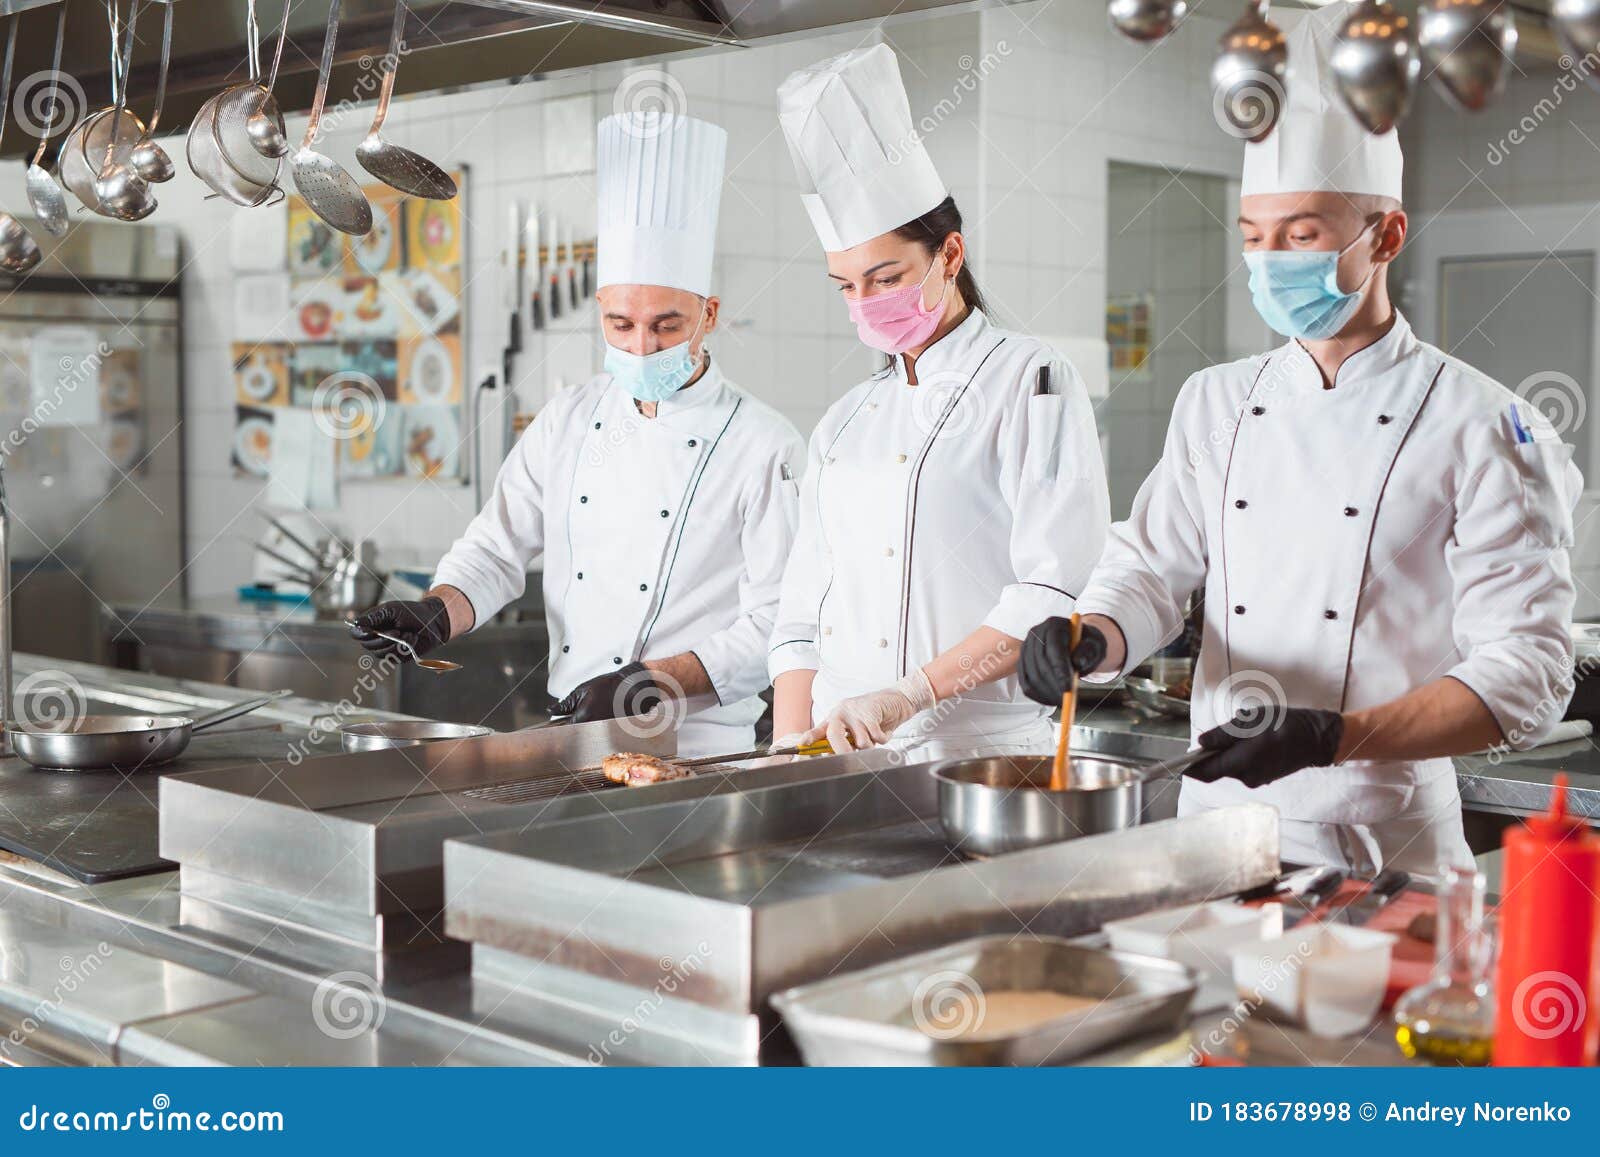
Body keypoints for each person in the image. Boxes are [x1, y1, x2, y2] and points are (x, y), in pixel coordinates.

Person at [1019, 5, 1581, 875]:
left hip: (1379, 844)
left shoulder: (1483, 424)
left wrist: (1337, 735)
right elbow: (1150, 571)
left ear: (1385, 235)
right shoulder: (1214, 401)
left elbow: (1532, 669)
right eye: (1254, 238)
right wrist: (1092, 633)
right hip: (1212, 827)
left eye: (1301, 236)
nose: (1271, 261)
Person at [354, 111, 804, 757]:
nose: (642, 345)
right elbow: (499, 546)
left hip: (701, 744)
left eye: (667, 325)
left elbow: (781, 622)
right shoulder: (568, 417)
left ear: (709, 315)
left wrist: (652, 681)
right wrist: (437, 611)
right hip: (574, 728)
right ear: (599, 311)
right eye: (621, 324)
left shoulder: (765, 443)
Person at [768, 45, 1110, 758]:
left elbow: (1050, 589)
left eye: (884, 277)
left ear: (949, 256)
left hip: (979, 758)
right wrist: (790, 739)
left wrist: (909, 693)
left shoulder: (1032, 380)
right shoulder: (845, 420)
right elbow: (799, 614)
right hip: (838, 756)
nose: (864, 303)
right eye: (845, 285)